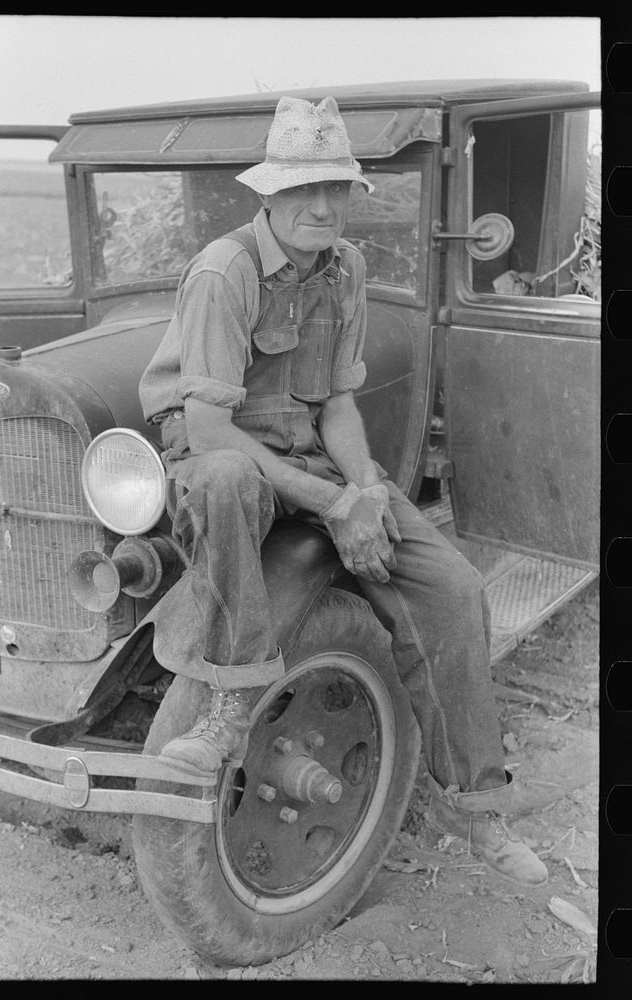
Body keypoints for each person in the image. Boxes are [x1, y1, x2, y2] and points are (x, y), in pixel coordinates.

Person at [138, 95, 548, 887]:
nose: (323, 206)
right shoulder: (225, 271)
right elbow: (213, 431)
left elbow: (336, 407)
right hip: (227, 457)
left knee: (453, 588)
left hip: (312, 457)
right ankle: (230, 704)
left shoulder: (345, 268)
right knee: (223, 480)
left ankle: (475, 809)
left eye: (336, 188)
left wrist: (363, 490)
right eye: (304, 189)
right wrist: (333, 506)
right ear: (270, 192)